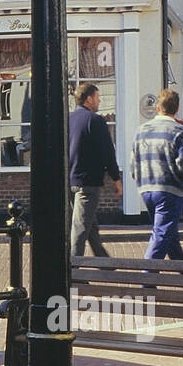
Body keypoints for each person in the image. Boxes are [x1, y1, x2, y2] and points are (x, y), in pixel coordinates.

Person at [130, 88, 183, 260]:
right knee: (162, 234)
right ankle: (146, 278)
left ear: (158, 107)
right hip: (169, 189)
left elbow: (133, 163)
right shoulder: (181, 132)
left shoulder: (141, 130)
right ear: (177, 108)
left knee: (169, 232)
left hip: (146, 188)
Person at [69, 83, 123, 256]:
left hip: (70, 180)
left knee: (88, 223)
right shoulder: (96, 120)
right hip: (88, 183)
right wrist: (116, 178)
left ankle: (103, 260)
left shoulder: (68, 119)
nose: (100, 101)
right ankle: (73, 270)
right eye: (98, 97)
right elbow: (108, 151)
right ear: (89, 99)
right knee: (80, 229)